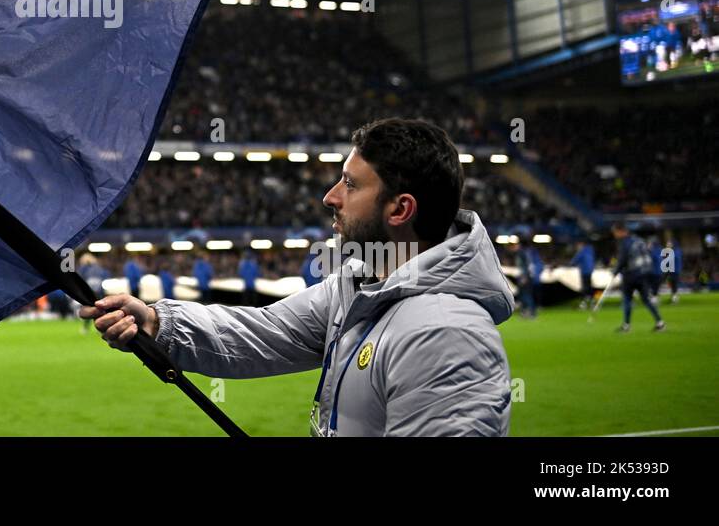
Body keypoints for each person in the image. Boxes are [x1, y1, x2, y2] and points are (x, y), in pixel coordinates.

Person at [80, 118, 514, 436]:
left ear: (399, 210)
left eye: (350, 184)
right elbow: (263, 333)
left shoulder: (444, 333)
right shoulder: (358, 286)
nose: (331, 197)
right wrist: (158, 323)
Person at [612, 223, 665, 333]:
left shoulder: (625, 243)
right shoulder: (639, 241)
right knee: (646, 299)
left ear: (621, 231)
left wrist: (615, 271)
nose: (615, 235)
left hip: (631, 275)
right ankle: (660, 323)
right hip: (644, 274)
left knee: (627, 299)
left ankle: (626, 325)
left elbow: (622, 259)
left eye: (616, 232)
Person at [572, 239, 596, 309]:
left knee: (585, 287)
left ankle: (584, 303)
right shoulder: (590, 251)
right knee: (589, 286)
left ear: (581, 244)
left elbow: (575, 260)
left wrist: (570, 264)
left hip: (585, 271)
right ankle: (592, 302)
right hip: (590, 270)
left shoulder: (582, 251)